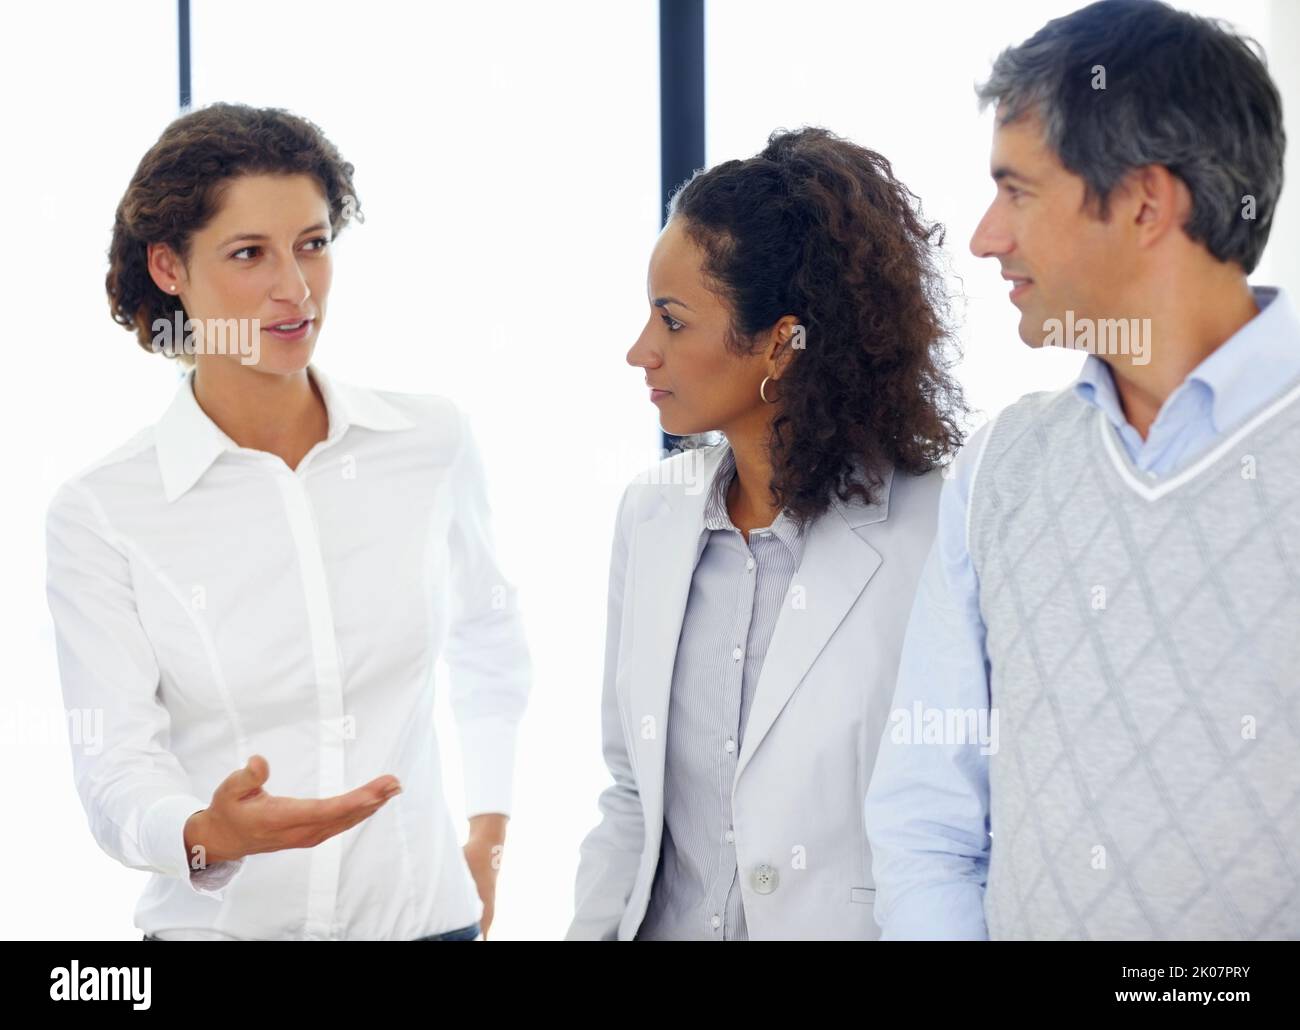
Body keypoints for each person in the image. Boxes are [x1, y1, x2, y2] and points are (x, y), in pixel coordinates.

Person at [45, 103, 530, 941]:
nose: (295, 289)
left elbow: (489, 642)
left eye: (312, 243)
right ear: (169, 268)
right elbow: (114, 763)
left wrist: (487, 836)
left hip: (424, 923)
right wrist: (206, 835)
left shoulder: (430, 442)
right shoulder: (103, 512)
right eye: (249, 255)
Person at [865, 0, 1297, 940]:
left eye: (1016, 190)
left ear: (1145, 202)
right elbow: (928, 825)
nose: (984, 237)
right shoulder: (1003, 468)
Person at [567, 126, 968, 940]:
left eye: (672, 322)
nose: (640, 351)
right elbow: (631, 793)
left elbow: (955, 822)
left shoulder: (940, 532)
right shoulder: (651, 515)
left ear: (783, 342)